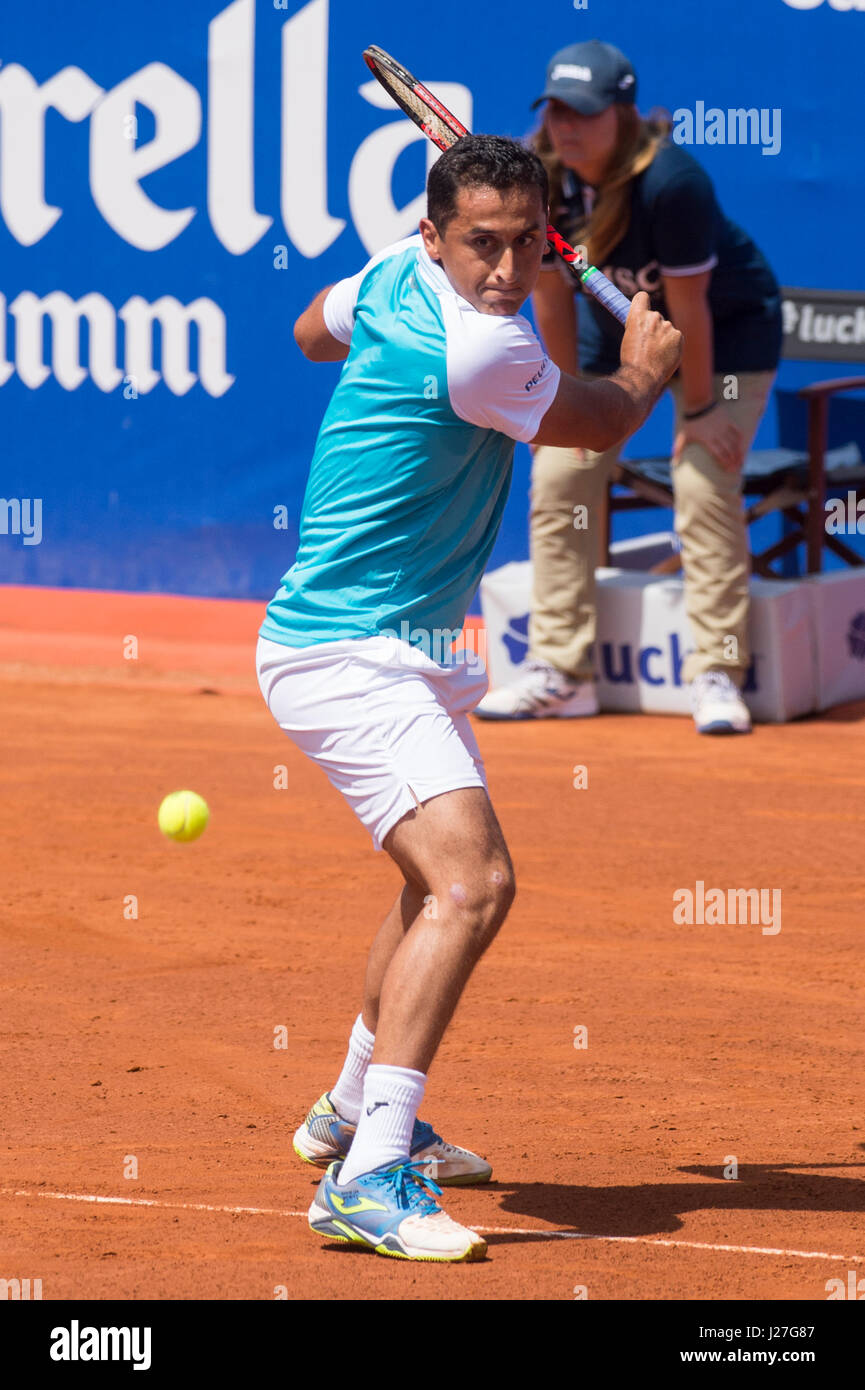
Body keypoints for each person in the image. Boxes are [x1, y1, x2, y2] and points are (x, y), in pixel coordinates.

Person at [255, 134, 681, 1262]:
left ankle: (347, 1110)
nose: (498, 267)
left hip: (405, 645)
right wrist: (644, 361)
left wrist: (436, 287)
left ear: (543, 236)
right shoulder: (478, 348)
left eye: (517, 245)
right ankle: (369, 1176)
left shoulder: (391, 276)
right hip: (347, 653)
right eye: (475, 245)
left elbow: (308, 331)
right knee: (475, 882)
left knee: (424, 887)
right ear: (437, 235)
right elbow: (596, 416)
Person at [474, 40, 782, 734]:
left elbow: (691, 309)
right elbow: (549, 301)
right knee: (559, 473)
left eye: (582, 113)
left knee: (703, 478)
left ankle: (715, 672)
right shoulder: (541, 177)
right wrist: (558, 407)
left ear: (624, 114)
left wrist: (698, 411)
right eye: (555, 111)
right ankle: (560, 671)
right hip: (616, 337)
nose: (566, 127)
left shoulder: (673, 182)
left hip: (722, 338)